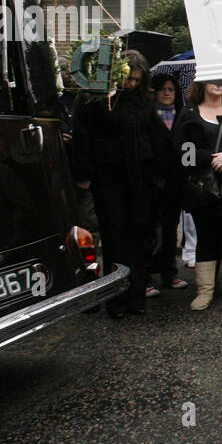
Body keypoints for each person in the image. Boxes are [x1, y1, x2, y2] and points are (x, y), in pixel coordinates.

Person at [72, 51, 168, 319]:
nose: (132, 84)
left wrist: (159, 174)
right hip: (108, 179)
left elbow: (156, 137)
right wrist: (84, 174)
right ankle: (116, 301)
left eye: (137, 80)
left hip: (138, 180)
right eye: (129, 79)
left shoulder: (143, 103)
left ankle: (136, 297)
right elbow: (82, 135)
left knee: (137, 238)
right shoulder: (96, 99)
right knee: (114, 240)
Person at [175, 81, 222, 310]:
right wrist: (212, 158)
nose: (219, 84)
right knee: (206, 236)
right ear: (201, 83)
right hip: (202, 188)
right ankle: (205, 291)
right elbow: (182, 154)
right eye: (213, 79)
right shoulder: (189, 113)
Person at [148, 75, 189, 295]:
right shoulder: (147, 115)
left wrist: (188, 169)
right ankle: (146, 277)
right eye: (162, 89)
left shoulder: (182, 116)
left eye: (171, 89)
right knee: (151, 230)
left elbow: (188, 146)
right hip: (152, 181)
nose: (166, 93)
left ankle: (169, 274)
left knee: (171, 229)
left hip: (176, 181)